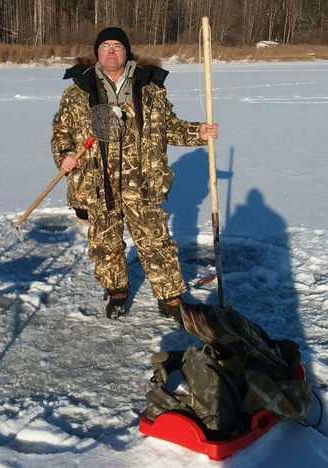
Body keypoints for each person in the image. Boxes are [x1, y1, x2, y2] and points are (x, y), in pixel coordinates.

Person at [51, 27, 218, 320]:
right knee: (105, 244)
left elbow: (170, 128)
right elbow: (61, 133)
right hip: (97, 184)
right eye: (105, 46)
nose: (111, 51)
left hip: (142, 182)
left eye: (117, 45)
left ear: (127, 52)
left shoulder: (149, 87)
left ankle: (170, 299)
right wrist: (65, 156)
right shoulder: (78, 91)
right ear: (97, 53)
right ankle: (117, 293)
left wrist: (198, 132)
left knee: (156, 242)